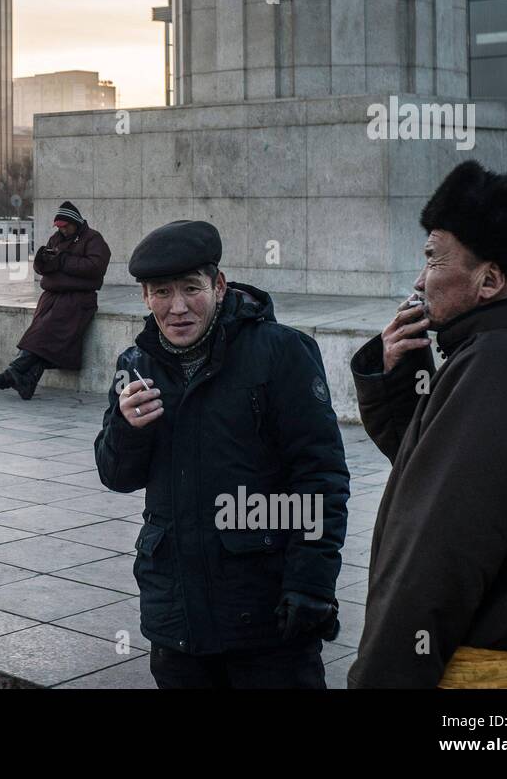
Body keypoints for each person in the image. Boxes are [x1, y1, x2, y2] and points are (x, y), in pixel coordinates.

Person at [348, 161, 507, 689]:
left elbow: (437, 555)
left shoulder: (495, 369)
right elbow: (437, 473)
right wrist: (401, 381)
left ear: (489, 279)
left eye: (432, 258)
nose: (419, 281)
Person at [94, 220, 349, 688]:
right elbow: (116, 475)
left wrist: (311, 584)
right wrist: (128, 429)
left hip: (266, 615)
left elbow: (321, 476)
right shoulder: (136, 363)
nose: (178, 308)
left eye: (192, 289)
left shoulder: (281, 352)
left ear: (219, 286)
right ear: (145, 299)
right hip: (176, 618)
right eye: (161, 292)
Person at [0, 202, 110, 400]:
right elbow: (43, 268)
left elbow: (96, 266)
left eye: (66, 226)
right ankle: (26, 381)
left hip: (77, 298)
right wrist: (42, 260)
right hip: (53, 296)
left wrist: (62, 259)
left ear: (75, 222)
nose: (62, 230)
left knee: (45, 334)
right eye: (59, 227)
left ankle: (14, 370)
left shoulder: (93, 239)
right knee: (42, 335)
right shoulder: (56, 238)